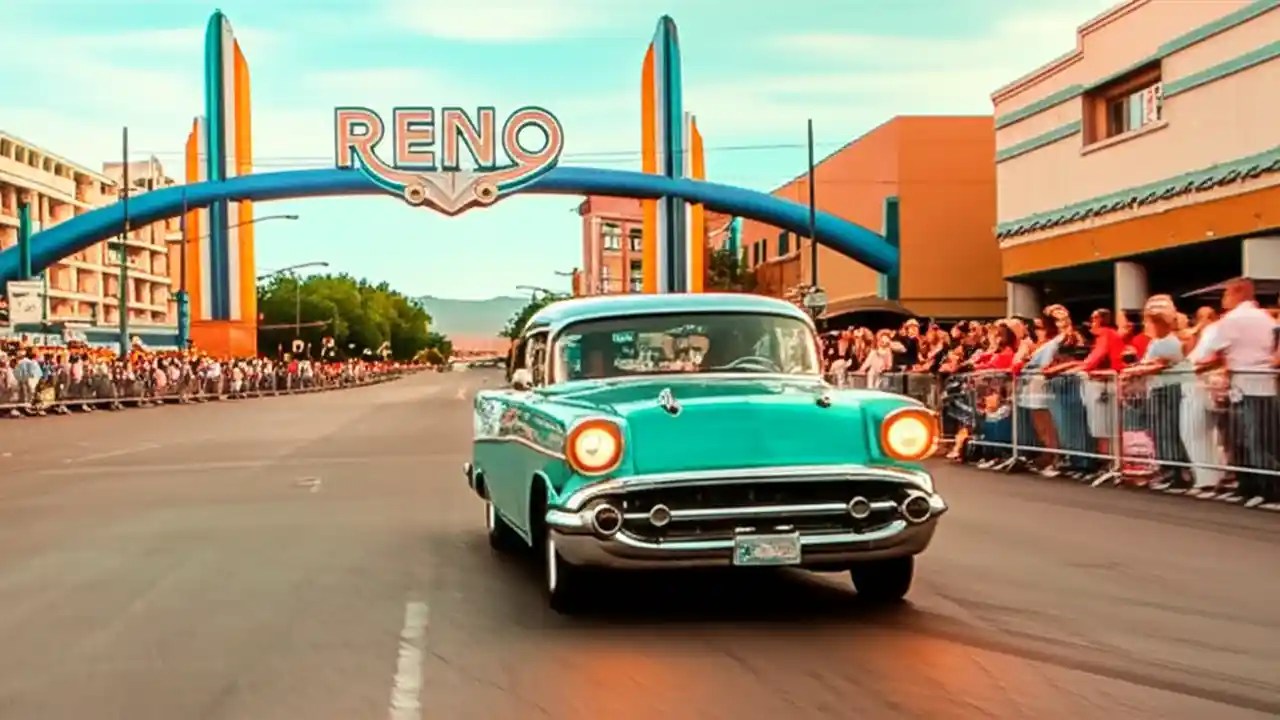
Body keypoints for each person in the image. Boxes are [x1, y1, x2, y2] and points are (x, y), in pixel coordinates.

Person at [1197, 278, 1279, 508]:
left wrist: (1199, 365)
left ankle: (1263, 489)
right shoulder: (1265, 318)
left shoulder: (1232, 320)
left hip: (1246, 385)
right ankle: (1255, 487)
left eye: (1225, 293)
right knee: (1257, 439)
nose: (1223, 298)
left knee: (1250, 441)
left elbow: (1214, 352)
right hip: (1260, 384)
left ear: (1237, 293)